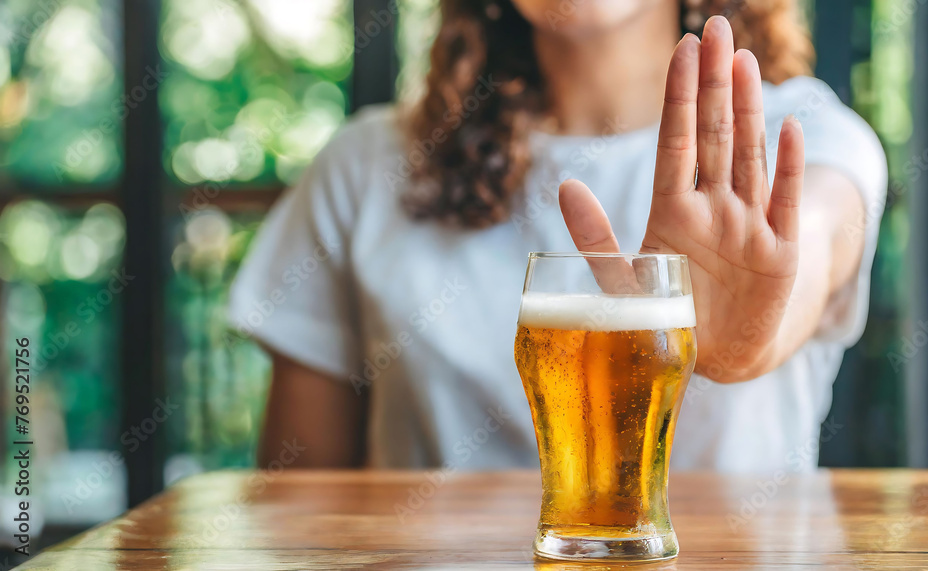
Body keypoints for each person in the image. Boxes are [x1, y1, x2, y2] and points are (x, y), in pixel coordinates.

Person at [229, 0, 887, 473]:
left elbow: (818, 237)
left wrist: (743, 344)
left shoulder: (808, 137)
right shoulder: (364, 168)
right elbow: (299, 498)